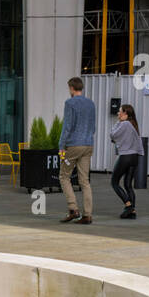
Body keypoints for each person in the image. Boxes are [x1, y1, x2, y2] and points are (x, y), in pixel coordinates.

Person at [58, 76, 96, 224]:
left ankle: (73, 209)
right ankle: (87, 214)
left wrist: (61, 146)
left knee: (64, 176)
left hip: (74, 145)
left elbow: (67, 126)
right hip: (88, 144)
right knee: (84, 181)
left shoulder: (70, 103)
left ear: (72, 88)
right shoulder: (91, 104)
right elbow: (93, 127)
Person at [109, 103, 144, 219]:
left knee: (114, 182)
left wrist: (118, 122)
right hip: (135, 157)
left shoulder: (124, 124)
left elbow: (113, 135)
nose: (118, 113)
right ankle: (132, 212)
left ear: (125, 113)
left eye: (120, 111)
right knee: (128, 185)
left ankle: (128, 205)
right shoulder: (133, 125)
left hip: (126, 157)